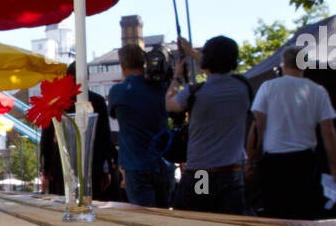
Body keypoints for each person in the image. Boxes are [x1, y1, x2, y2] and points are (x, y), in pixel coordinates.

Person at [166, 35, 252, 215]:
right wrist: (192, 53)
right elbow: (219, 70)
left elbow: (169, 104)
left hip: (201, 174)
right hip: (232, 173)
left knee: (200, 219)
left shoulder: (194, 93)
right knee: (231, 224)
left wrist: (177, 77)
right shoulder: (243, 88)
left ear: (207, 61)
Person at [248, 46, 336, 220]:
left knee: (276, 216)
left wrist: (250, 160)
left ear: (283, 64)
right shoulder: (318, 91)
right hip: (304, 163)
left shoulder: (268, 87)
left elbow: (258, 126)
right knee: (305, 216)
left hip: (274, 162)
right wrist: (334, 167)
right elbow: (329, 134)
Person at [107, 44, 172, 206]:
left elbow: (113, 114)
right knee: (165, 214)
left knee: (143, 216)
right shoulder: (161, 88)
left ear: (122, 65)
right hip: (162, 161)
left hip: (135, 163)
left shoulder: (118, 91)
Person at [42, 61, 117, 199]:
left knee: (64, 200)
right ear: (87, 77)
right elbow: (105, 138)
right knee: (92, 201)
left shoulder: (56, 102)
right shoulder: (98, 101)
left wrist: (46, 165)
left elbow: (46, 136)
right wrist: (107, 168)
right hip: (92, 165)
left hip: (63, 165)